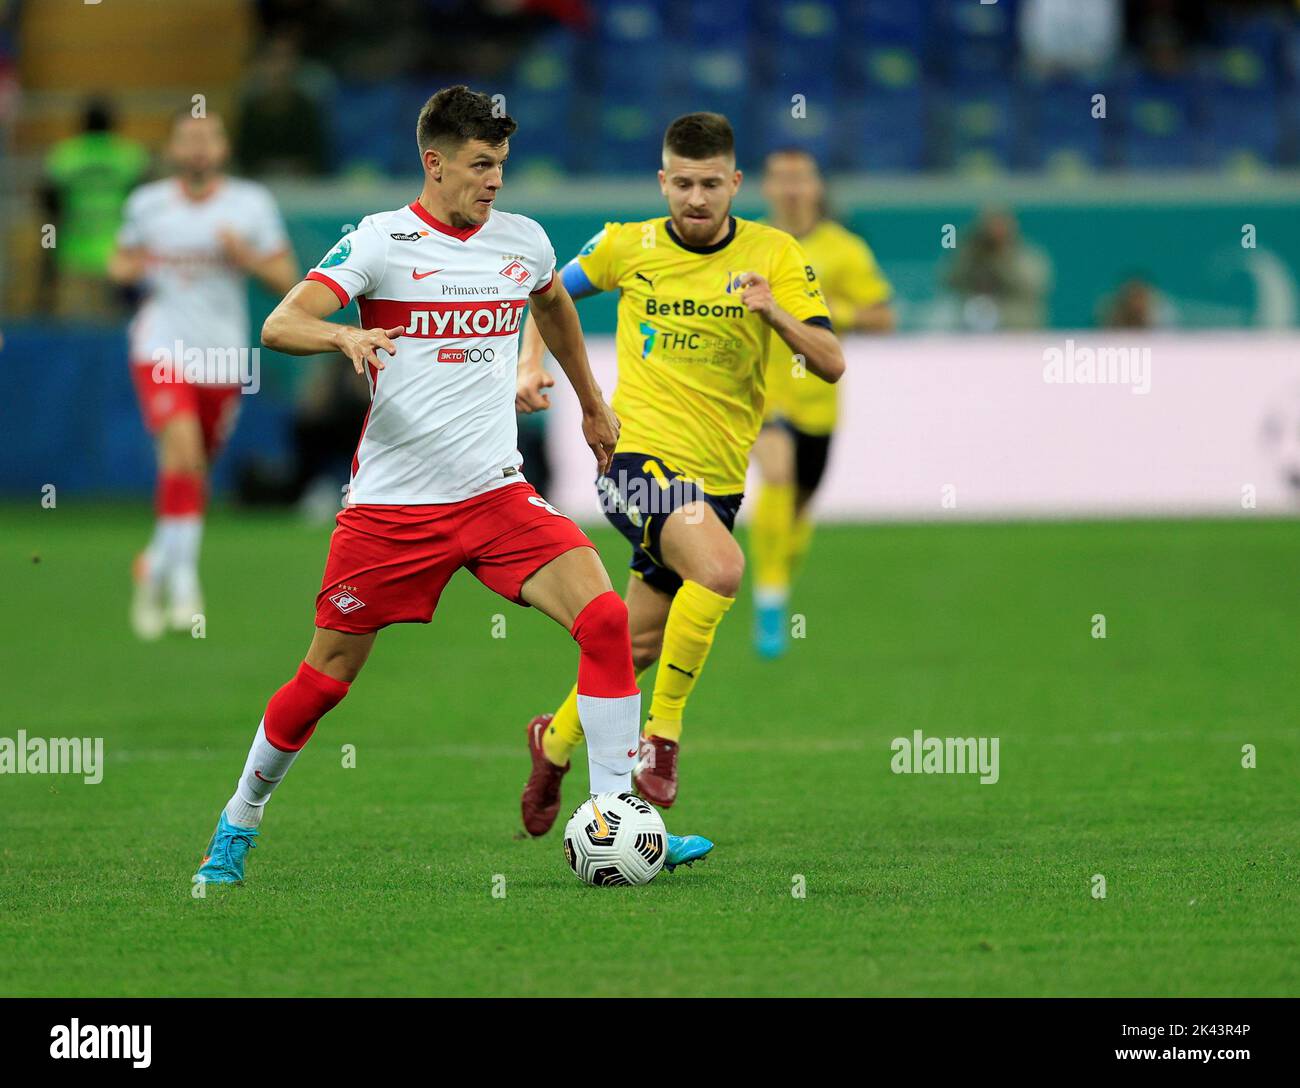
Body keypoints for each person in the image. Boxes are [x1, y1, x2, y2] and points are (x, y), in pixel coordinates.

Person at [191, 86, 713, 885]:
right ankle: (240, 819)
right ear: (433, 164)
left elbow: (555, 307)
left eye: (500, 164)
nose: (494, 179)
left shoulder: (523, 242)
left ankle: (621, 818)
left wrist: (591, 401)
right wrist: (345, 333)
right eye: (479, 165)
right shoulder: (380, 242)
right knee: (323, 680)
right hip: (393, 511)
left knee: (605, 620)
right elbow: (279, 322)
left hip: (497, 495)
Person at [515, 112, 844, 831]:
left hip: (718, 480)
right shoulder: (625, 245)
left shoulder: (775, 255)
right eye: (682, 184)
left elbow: (830, 363)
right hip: (632, 458)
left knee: (635, 643)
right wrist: (529, 363)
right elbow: (547, 294)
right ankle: (660, 740)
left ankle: (557, 741)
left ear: (735, 183)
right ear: (663, 181)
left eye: (710, 185)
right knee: (723, 570)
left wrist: (774, 311)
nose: (695, 200)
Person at [109, 110, 299, 639]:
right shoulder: (147, 205)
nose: (197, 148)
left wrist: (243, 256)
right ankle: (185, 583)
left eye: (207, 138)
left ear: (222, 148)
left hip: (221, 357)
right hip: (161, 346)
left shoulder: (250, 204)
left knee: (195, 471)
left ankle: (154, 563)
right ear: (172, 148)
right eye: (187, 139)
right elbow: (119, 266)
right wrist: (135, 266)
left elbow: (286, 277)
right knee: (183, 452)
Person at [749, 148, 895, 659]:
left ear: (816, 187)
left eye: (801, 178)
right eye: (780, 178)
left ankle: (778, 580)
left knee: (800, 506)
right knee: (777, 474)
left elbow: (883, 316)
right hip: (762, 395)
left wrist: (833, 315)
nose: (791, 187)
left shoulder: (845, 249)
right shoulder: (749, 243)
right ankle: (768, 598)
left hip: (818, 397)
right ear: (764, 187)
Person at [42, 97, 150, 317]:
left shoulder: (64, 155)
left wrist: (49, 253)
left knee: (76, 328)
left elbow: (49, 205)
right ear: (114, 123)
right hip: (118, 255)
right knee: (112, 326)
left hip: (73, 254)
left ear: (81, 123)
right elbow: (144, 205)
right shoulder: (130, 155)